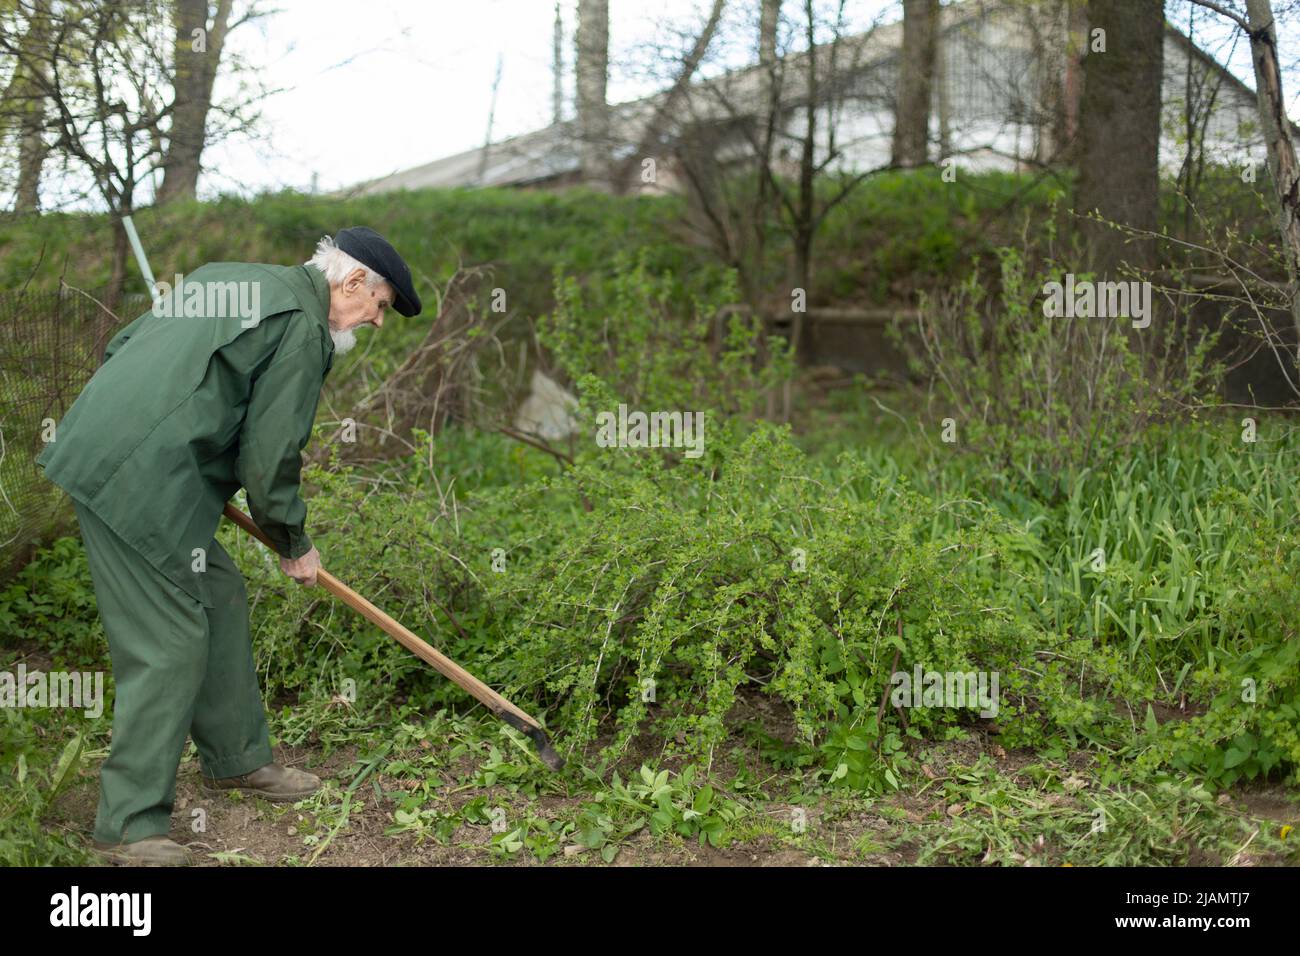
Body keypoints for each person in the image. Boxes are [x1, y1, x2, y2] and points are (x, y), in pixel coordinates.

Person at [35, 227, 422, 865]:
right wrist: (291, 541)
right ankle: (128, 827)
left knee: (218, 593)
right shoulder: (303, 326)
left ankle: (237, 760)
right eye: (379, 306)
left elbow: (123, 344)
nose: (377, 322)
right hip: (140, 482)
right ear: (352, 283)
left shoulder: (228, 276)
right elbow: (270, 455)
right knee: (169, 642)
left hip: (123, 457)